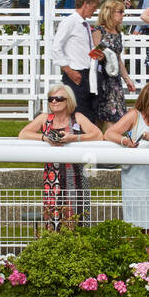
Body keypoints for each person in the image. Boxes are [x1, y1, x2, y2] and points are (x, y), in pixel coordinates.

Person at [19, 84, 101, 228]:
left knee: (78, 218)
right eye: (51, 99)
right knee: (53, 219)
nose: (54, 102)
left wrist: (73, 138)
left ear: (68, 100)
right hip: (52, 178)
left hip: (77, 177)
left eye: (59, 98)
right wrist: (45, 138)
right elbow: (23, 134)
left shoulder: (78, 118)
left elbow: (98, 135)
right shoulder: (45, 118)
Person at [106, 81, 149, 239]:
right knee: (134, 224)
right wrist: (124, 141)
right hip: (135, 178)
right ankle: (133, 260)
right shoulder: (134, 115)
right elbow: (109, 133)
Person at [51, 0, 101, 122]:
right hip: (75, 74)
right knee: (79, 115)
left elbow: (84, 51)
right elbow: (56, 47)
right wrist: (69, 70)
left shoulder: (84, 24)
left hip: (87, 74)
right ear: (86, 4)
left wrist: (98, 53)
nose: (94, 11)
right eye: (93, 7)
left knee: (90, 114)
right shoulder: (69, 22)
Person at [93, 0, 135, 129]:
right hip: (101, 77)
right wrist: (103, 54)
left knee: (115, 114)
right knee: (99, 115)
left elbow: (118, 58)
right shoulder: (99, 31)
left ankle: (111, 140)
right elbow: (94, 55)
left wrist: (127, 79)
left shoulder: (118, 33)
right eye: (120, 11)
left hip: (114, 79)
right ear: (109, 12)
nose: (123, 14)